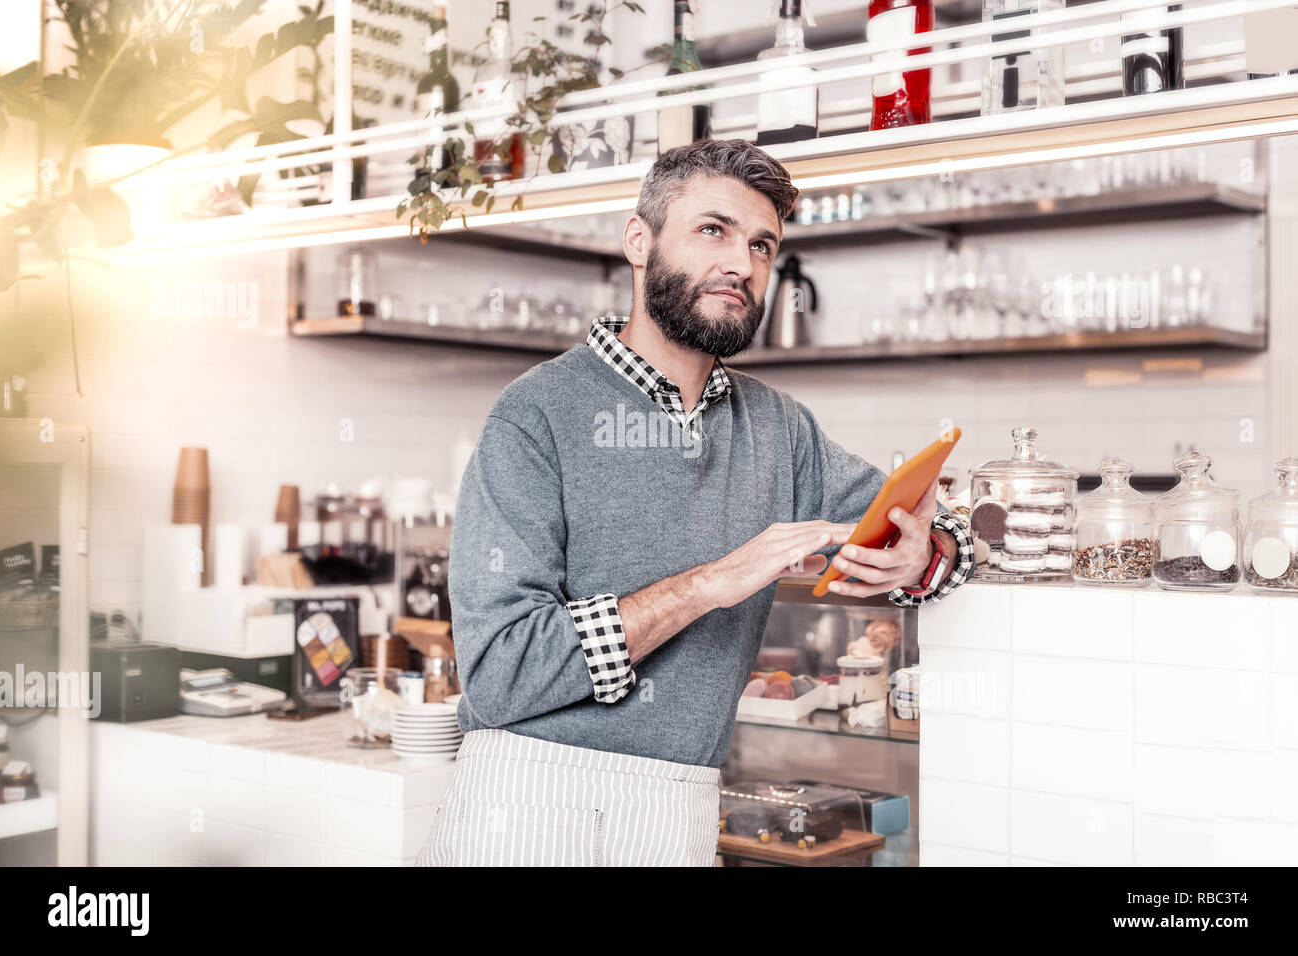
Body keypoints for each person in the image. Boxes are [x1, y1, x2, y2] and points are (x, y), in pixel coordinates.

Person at [415, 138, 973, 867]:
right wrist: (707, 585)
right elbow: (500, 672)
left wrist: (927, 549)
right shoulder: (534, 415)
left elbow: (922, 524)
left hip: (681, 806)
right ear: (639, 242)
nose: (741, 264)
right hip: (526, 802)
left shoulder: (779, 428)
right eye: (714, 230)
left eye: (762, 245)